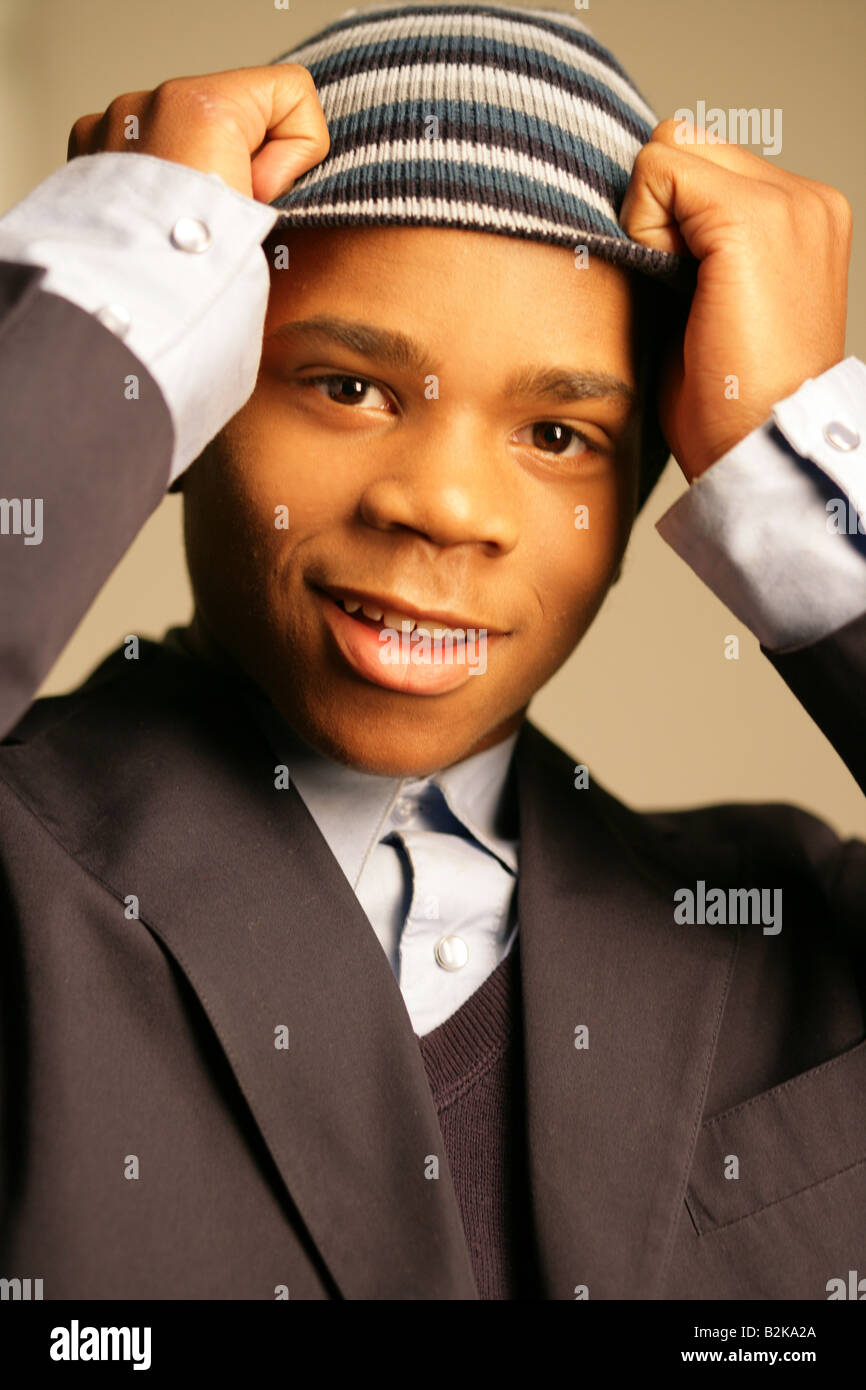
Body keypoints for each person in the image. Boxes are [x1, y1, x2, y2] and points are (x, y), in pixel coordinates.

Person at [0, 4, 864, 1301]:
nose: (446, 506)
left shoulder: (785, 917)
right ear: (191, 405)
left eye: (561, 434)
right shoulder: (26, 879)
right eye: (347, 386)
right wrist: (118, 287)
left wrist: (806, 464)